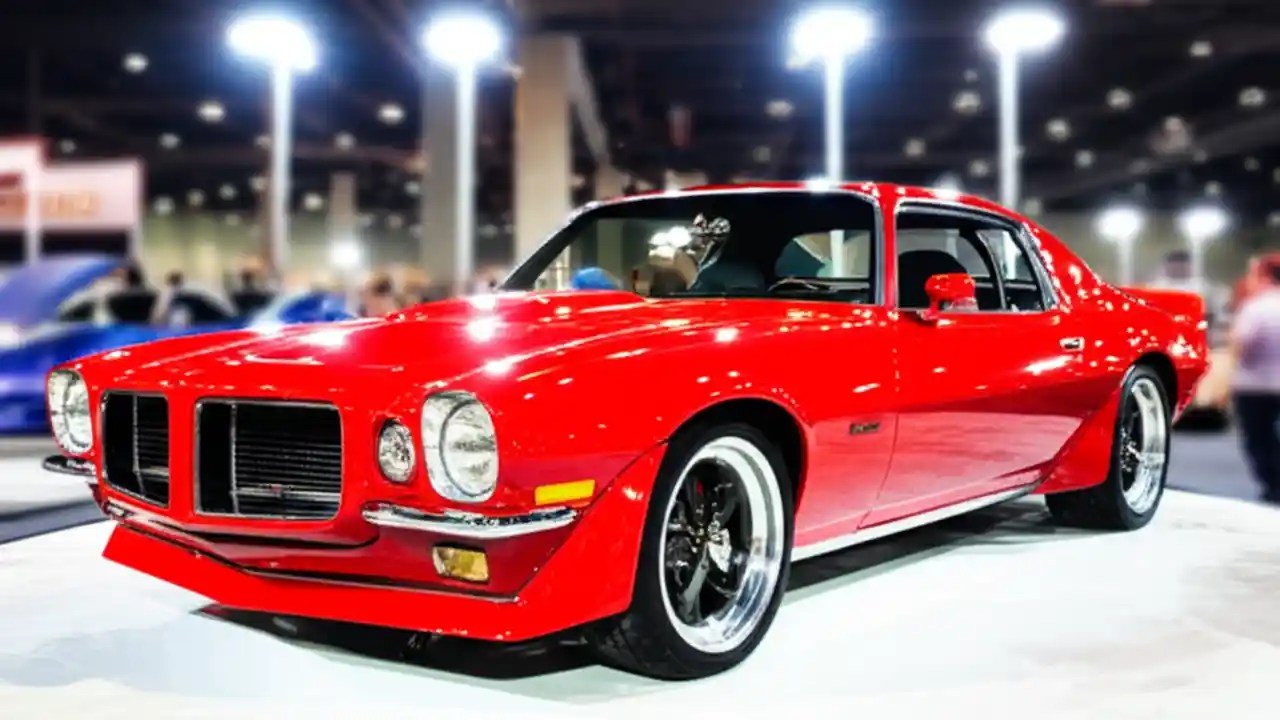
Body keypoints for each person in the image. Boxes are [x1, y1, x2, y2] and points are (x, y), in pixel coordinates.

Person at [1229, 261, 1280, 504]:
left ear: (1265, 277)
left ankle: (1273, 487)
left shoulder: (1256, 308)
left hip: (1255, 386)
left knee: (1259, 440)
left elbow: (1242, 344)